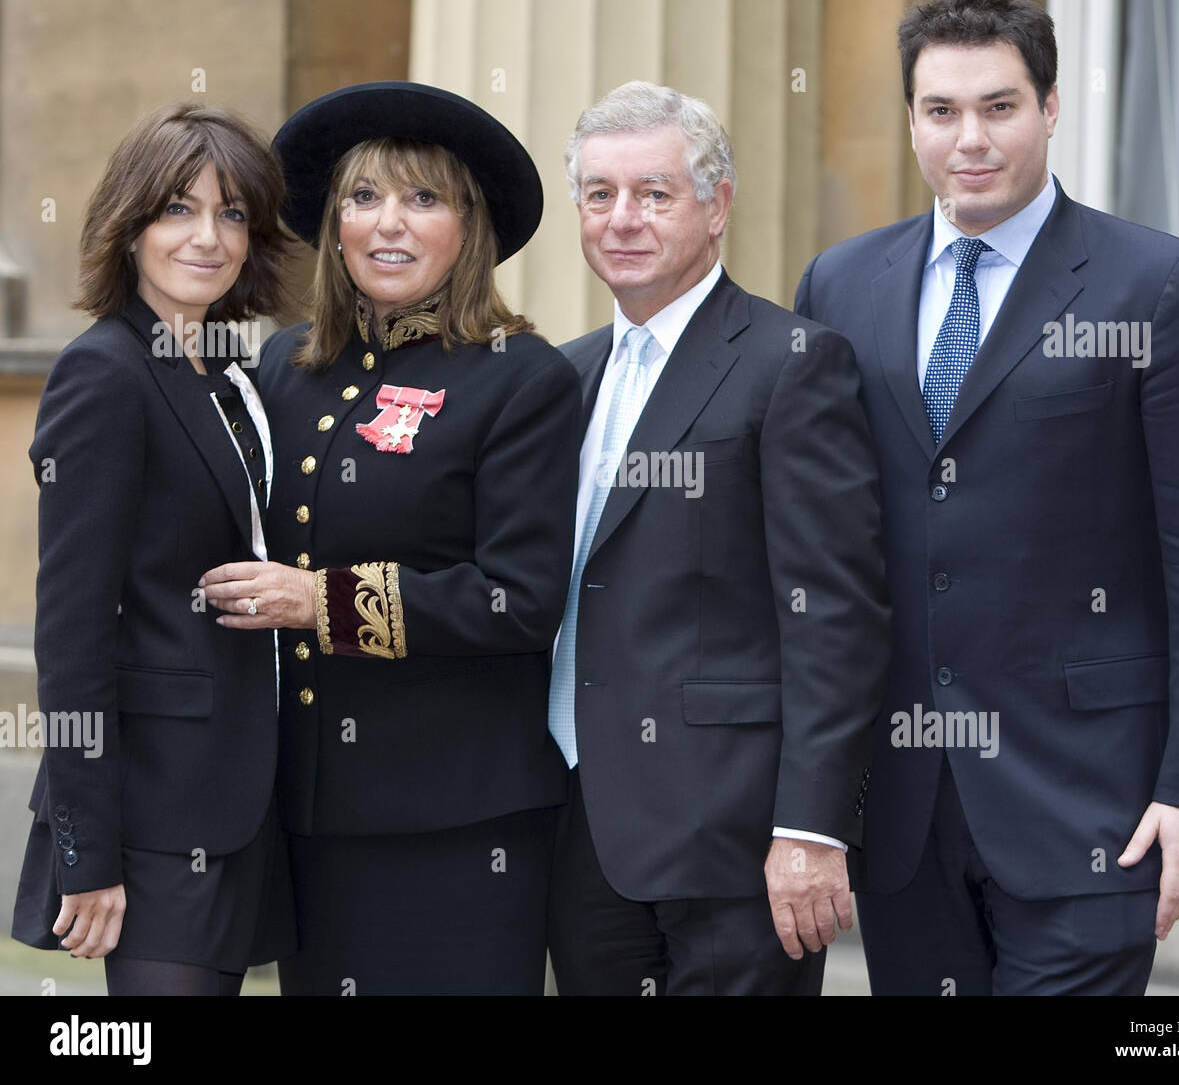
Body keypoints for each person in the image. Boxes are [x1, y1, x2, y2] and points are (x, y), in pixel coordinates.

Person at [794, 0, 1179, 995]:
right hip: (903, 809)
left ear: (1051, 108)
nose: (968, 139)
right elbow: (824, 546)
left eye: (998, 107)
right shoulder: (840, 285)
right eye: (940, 111)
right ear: (913, 119)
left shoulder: (1157, 286)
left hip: (1090, 805)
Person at [198, 81, 581, 995]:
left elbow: (520, 600)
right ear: (334, 224)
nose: (388, 224)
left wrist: (316, 598)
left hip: (460, 823)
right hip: (308, 813)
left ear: (469, 226)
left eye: (423, 198)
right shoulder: (283, 369)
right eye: (363, 198)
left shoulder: (521, 379)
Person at [545, 80, 890, 995]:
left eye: (655, 194)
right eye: (600, 194)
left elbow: (837, 617)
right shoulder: (564, 377)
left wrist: (812, 830)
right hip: (581, 826)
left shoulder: (791, 366)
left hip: (736, 841)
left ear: (717, 204)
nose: (623, 219)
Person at [10, 103, 295, 996]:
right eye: (178, 209)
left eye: (233, 212)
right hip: (151, 817)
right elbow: (71, 629)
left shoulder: (232, 373)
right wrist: (85, 851)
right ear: (130, 227)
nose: (208, 236)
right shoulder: (103, 372)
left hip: (242, 796)